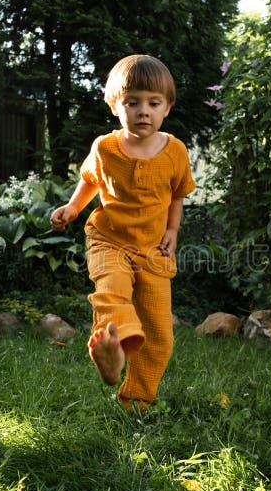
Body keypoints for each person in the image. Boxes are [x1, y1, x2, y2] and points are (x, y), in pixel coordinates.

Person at [50, 54, 196, 410]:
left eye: (153, 103)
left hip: (154, 250)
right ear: (116, 107)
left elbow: (177, 194)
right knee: (112, 290)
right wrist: (71, 209)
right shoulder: (105, 148)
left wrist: (173, 230)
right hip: (108, 239)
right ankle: (114, 347)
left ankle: (137, 401)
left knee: (160, 334)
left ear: (167, 109)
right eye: (132, 102)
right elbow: (90, 181)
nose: (142, 111)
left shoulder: (175, 152)